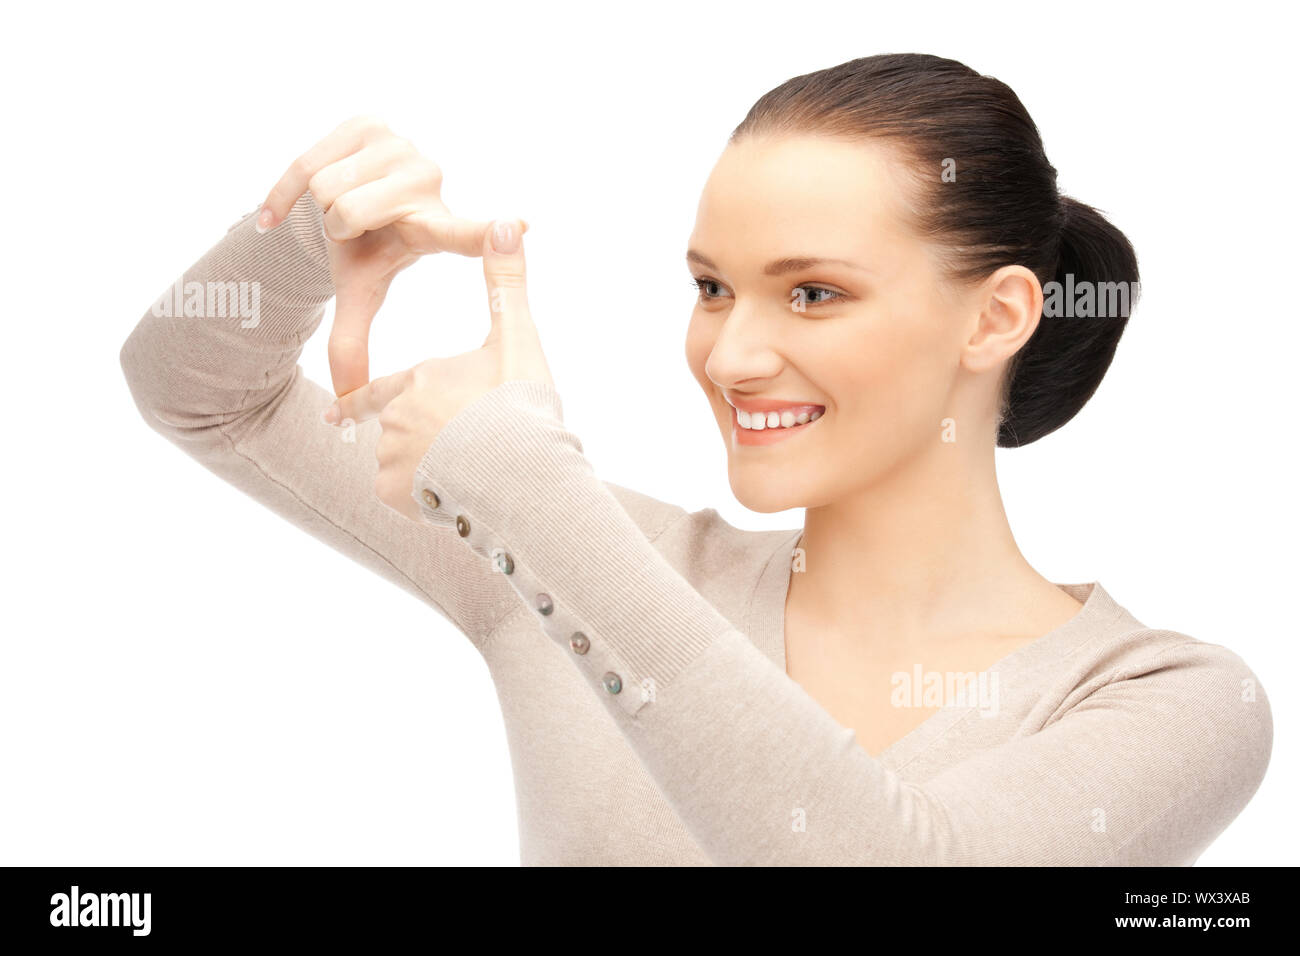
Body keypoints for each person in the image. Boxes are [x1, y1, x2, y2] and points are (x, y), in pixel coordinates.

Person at [120, 53, 1271, 865]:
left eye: (812, 292)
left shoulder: (1167, 698)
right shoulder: (579, 555)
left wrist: (529, 488)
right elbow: (200, 391)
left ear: (994, 317)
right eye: (711, 287)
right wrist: (312, 235)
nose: (729, 351)